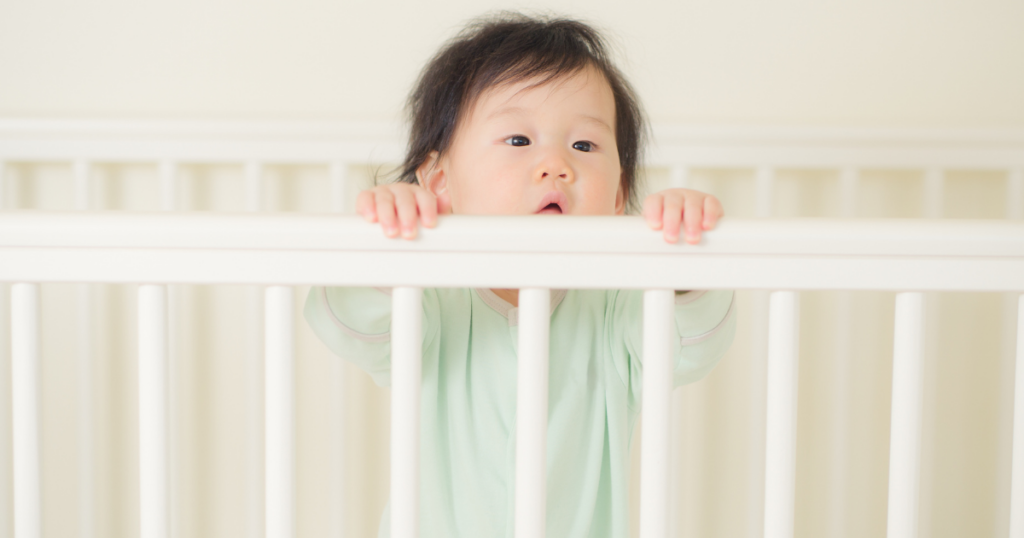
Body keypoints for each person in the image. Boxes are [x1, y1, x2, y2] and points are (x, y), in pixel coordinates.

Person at [304, 13, 736, 538]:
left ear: (620, 197)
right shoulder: (431, 300)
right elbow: (348, 321)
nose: (555, 165)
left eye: (584, 146)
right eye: (517, 140)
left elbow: (686, 343)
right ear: (439, 182)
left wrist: (682, 255)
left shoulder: (616, 311)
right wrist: (386, 245)